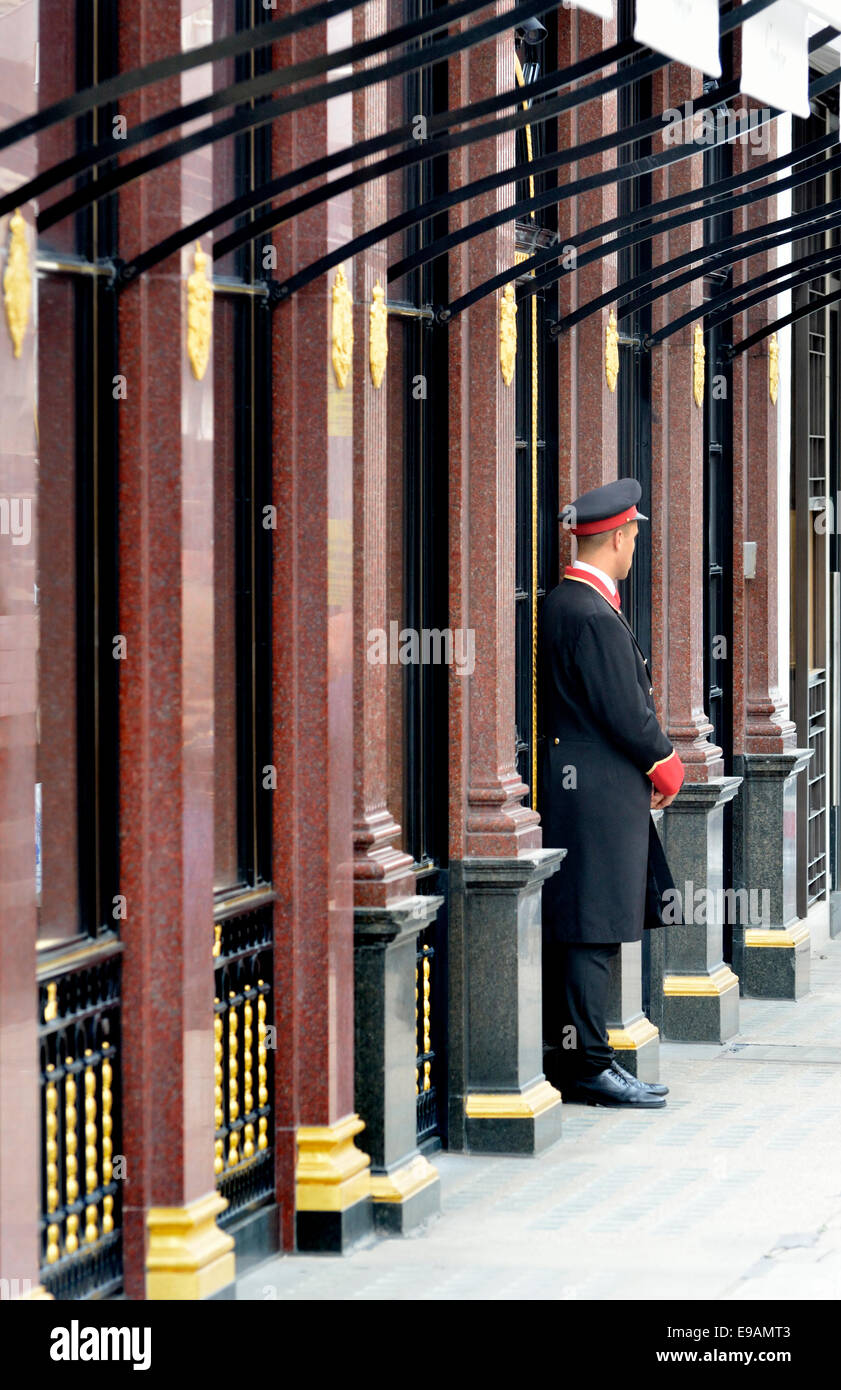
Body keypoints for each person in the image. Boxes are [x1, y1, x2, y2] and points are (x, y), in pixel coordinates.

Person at [540, 477, 684, 1108]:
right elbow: (625, 713)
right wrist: (667, 764)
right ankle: (588, 1066)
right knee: (590, 932)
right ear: (618, 537)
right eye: (632, 536)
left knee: (589, 930)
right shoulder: (589, 612)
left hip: (592, 795)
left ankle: (589, 1059)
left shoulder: (576, 604)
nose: (633, 548)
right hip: (594, 801)